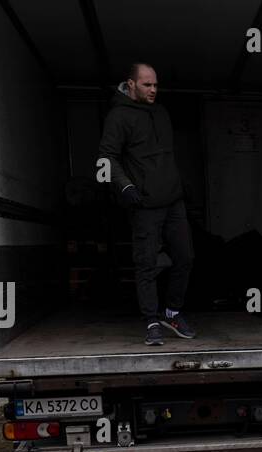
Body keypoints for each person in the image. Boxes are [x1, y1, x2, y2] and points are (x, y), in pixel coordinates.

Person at [98, 62, 195, 347]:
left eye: (155, 85)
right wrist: (125, 186)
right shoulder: (118, 116)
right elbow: (107, 157)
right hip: (145, 205)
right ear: (131, 84)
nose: (153, 90)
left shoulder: (161, 112)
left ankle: (172, 312)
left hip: (173, 201)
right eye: (146, 85)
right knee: (146, 264)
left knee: (185, 258)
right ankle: (152, 321)